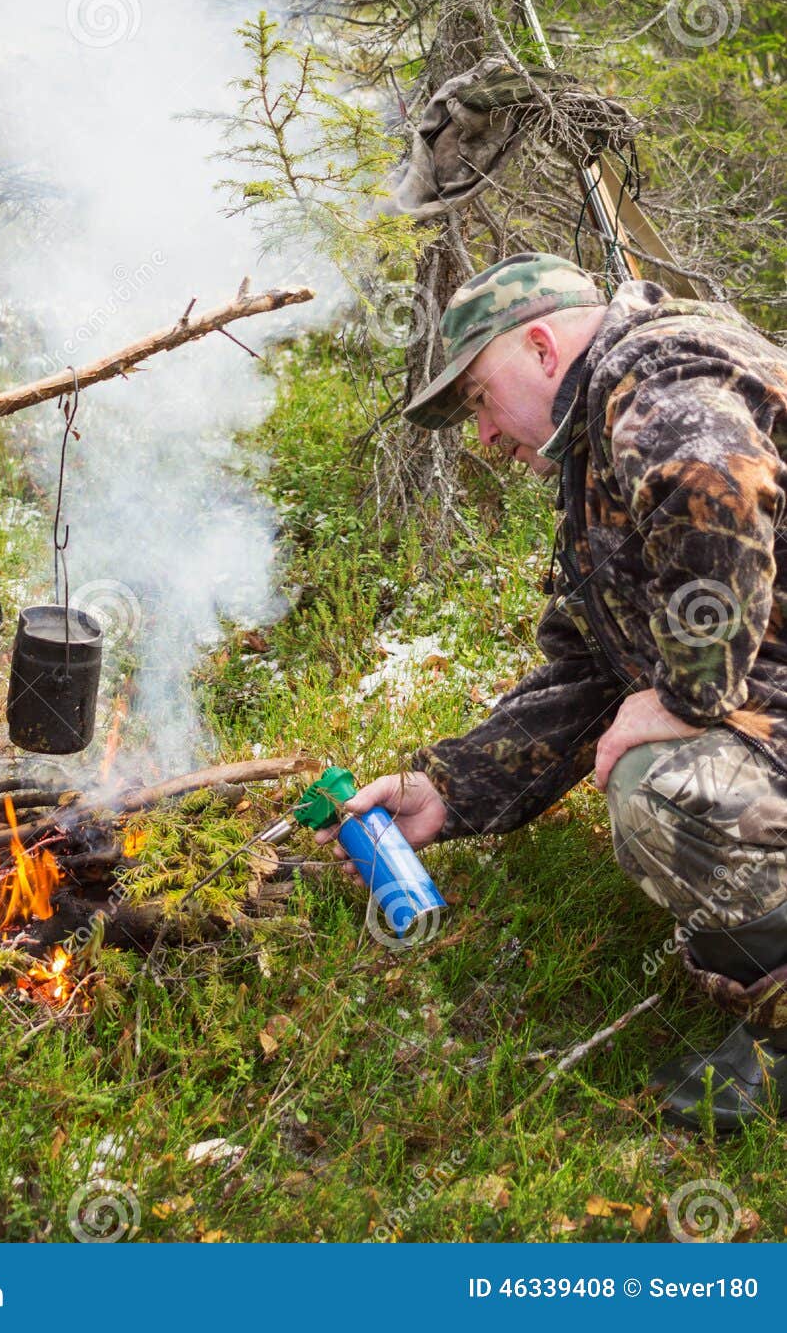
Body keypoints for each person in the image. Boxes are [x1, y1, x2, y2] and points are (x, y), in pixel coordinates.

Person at [322, 250, 787, 1131]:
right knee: (652, 747)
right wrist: (449, 788)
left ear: (540, 348)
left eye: (477, 402)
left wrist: (686, 695)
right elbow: (584, 675)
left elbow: (716, 484)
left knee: (665, 783)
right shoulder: (601, 442)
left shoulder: (655, 374)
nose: (485, 438)